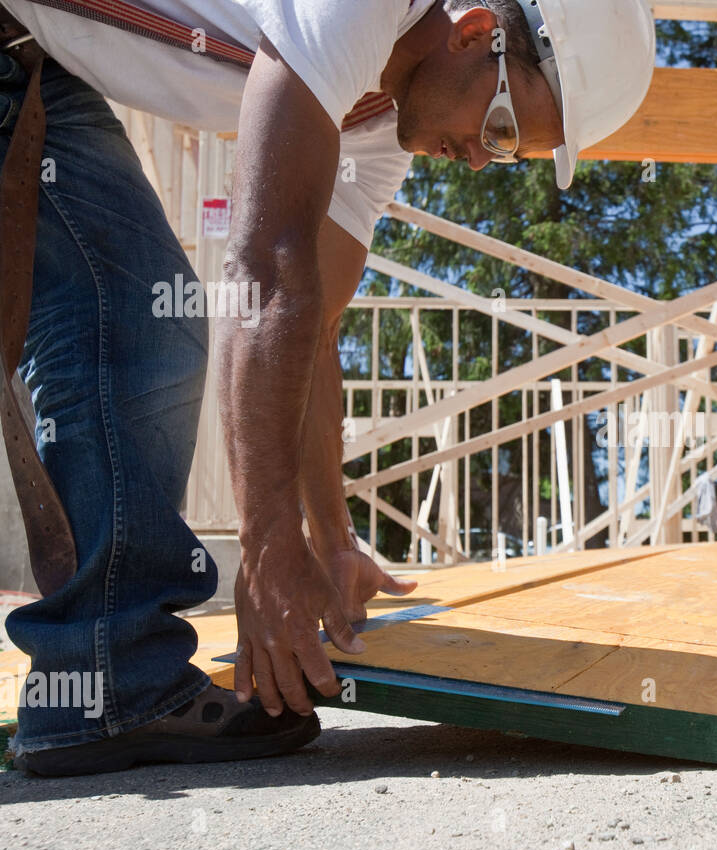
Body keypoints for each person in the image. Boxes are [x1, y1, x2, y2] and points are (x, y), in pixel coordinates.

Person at [0, 0, 656, 775]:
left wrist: (331, 540)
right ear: (476, 32)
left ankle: (103, 684)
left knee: (137, 318)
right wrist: (269, 544)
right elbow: (265, 269)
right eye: (502, 129)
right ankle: (107, 681)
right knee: (137, 316)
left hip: (27, 52)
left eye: (506, 154)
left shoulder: (375, 131)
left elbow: (304, 330)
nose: (482, 160)